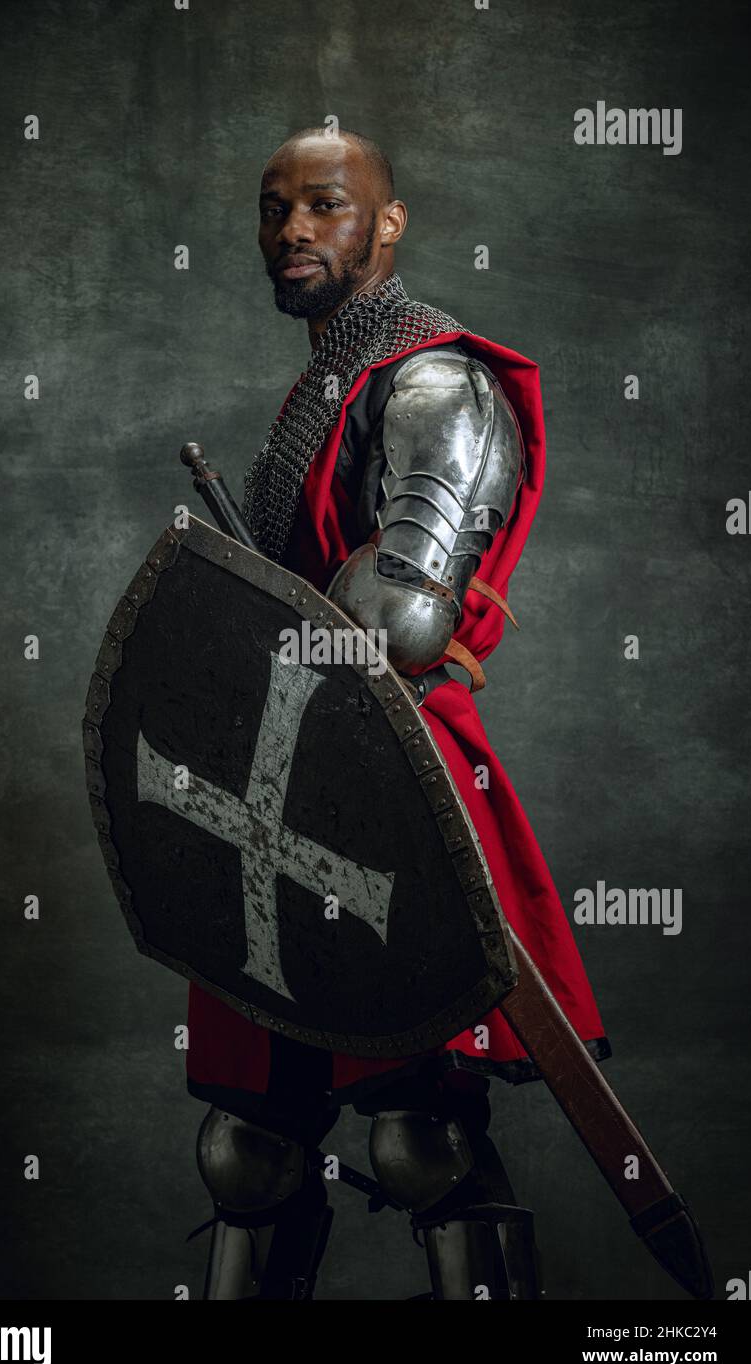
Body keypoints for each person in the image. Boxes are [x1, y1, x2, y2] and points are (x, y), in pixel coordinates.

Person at [184, 128, 610, 1301]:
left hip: (395, 772)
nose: (292, 232)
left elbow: (402, 619)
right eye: (275, 209)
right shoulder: (326, 385)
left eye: (325, 206)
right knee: (250, 1148)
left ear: (389, 224)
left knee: (417, 1134)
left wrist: (276, 622)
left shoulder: (435, 382)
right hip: (278, 786)